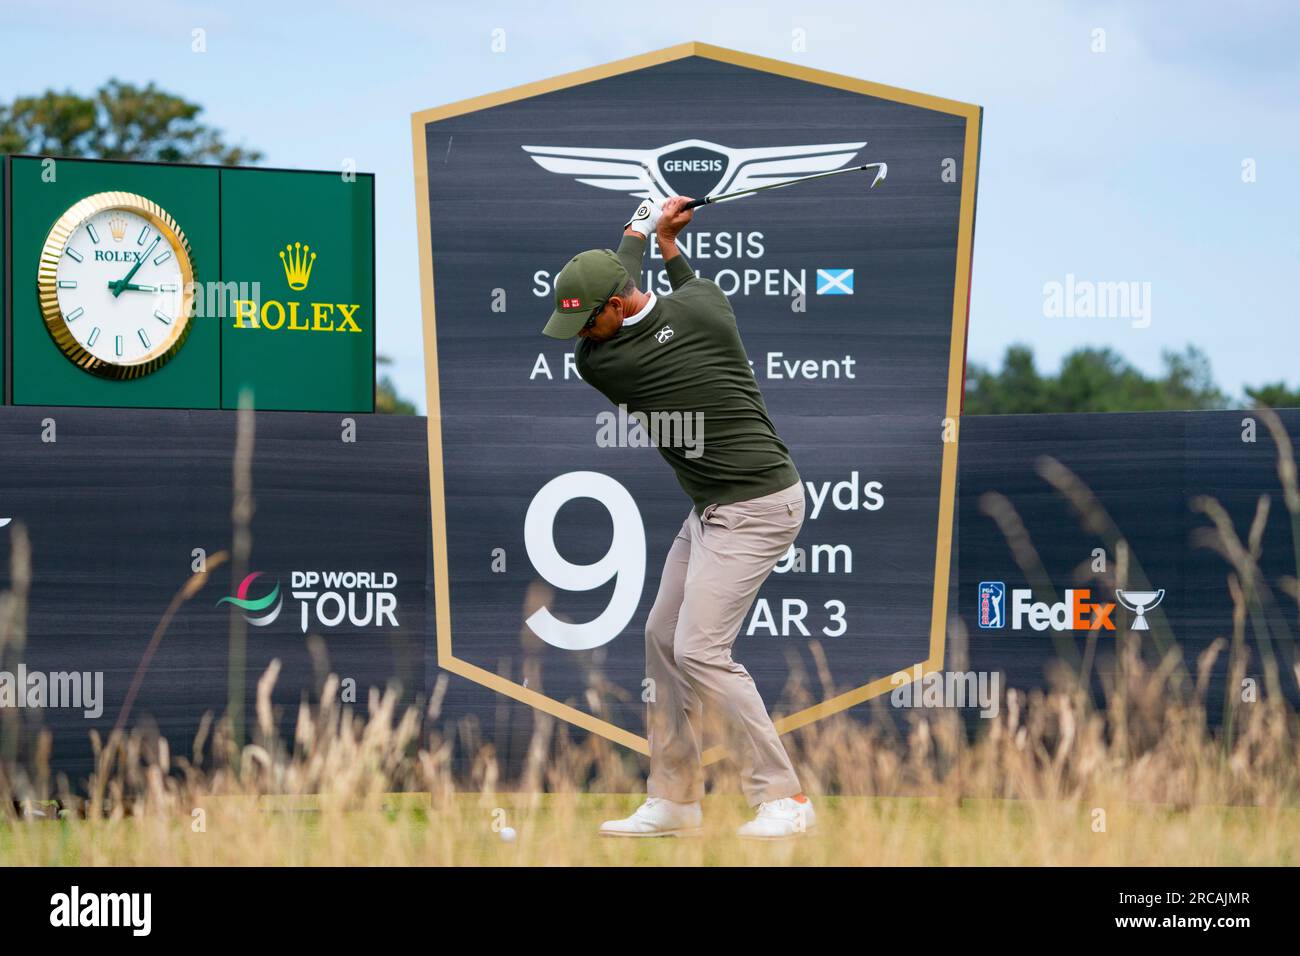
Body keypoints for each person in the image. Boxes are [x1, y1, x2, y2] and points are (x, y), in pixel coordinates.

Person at [541, 196, 814, 839]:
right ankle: (675, 800)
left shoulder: (608, 362)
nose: (576, 337)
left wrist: (641, 231)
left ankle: (785, 800)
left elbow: (630, 275)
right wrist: (663, 241)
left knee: (700, 649)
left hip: (759, 507)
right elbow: (680, 286)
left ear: (616, 305)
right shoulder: (709, 307)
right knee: (662, 640)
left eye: (584, 321)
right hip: (713, 509)